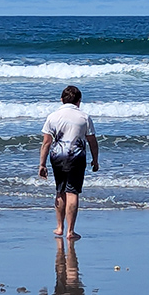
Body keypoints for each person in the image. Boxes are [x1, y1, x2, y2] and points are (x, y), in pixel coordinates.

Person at [39, 85, 99, 240]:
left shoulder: (53, 116)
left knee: (60, 190)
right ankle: (70, 231)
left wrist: (42, 164)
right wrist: (95, 159)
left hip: (57, 156)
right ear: (79, 101)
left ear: (61, 100)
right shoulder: (84, 117)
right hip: (76, 157)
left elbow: (46, 142)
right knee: (72, 192)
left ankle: (59, 227)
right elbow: (92, 141)